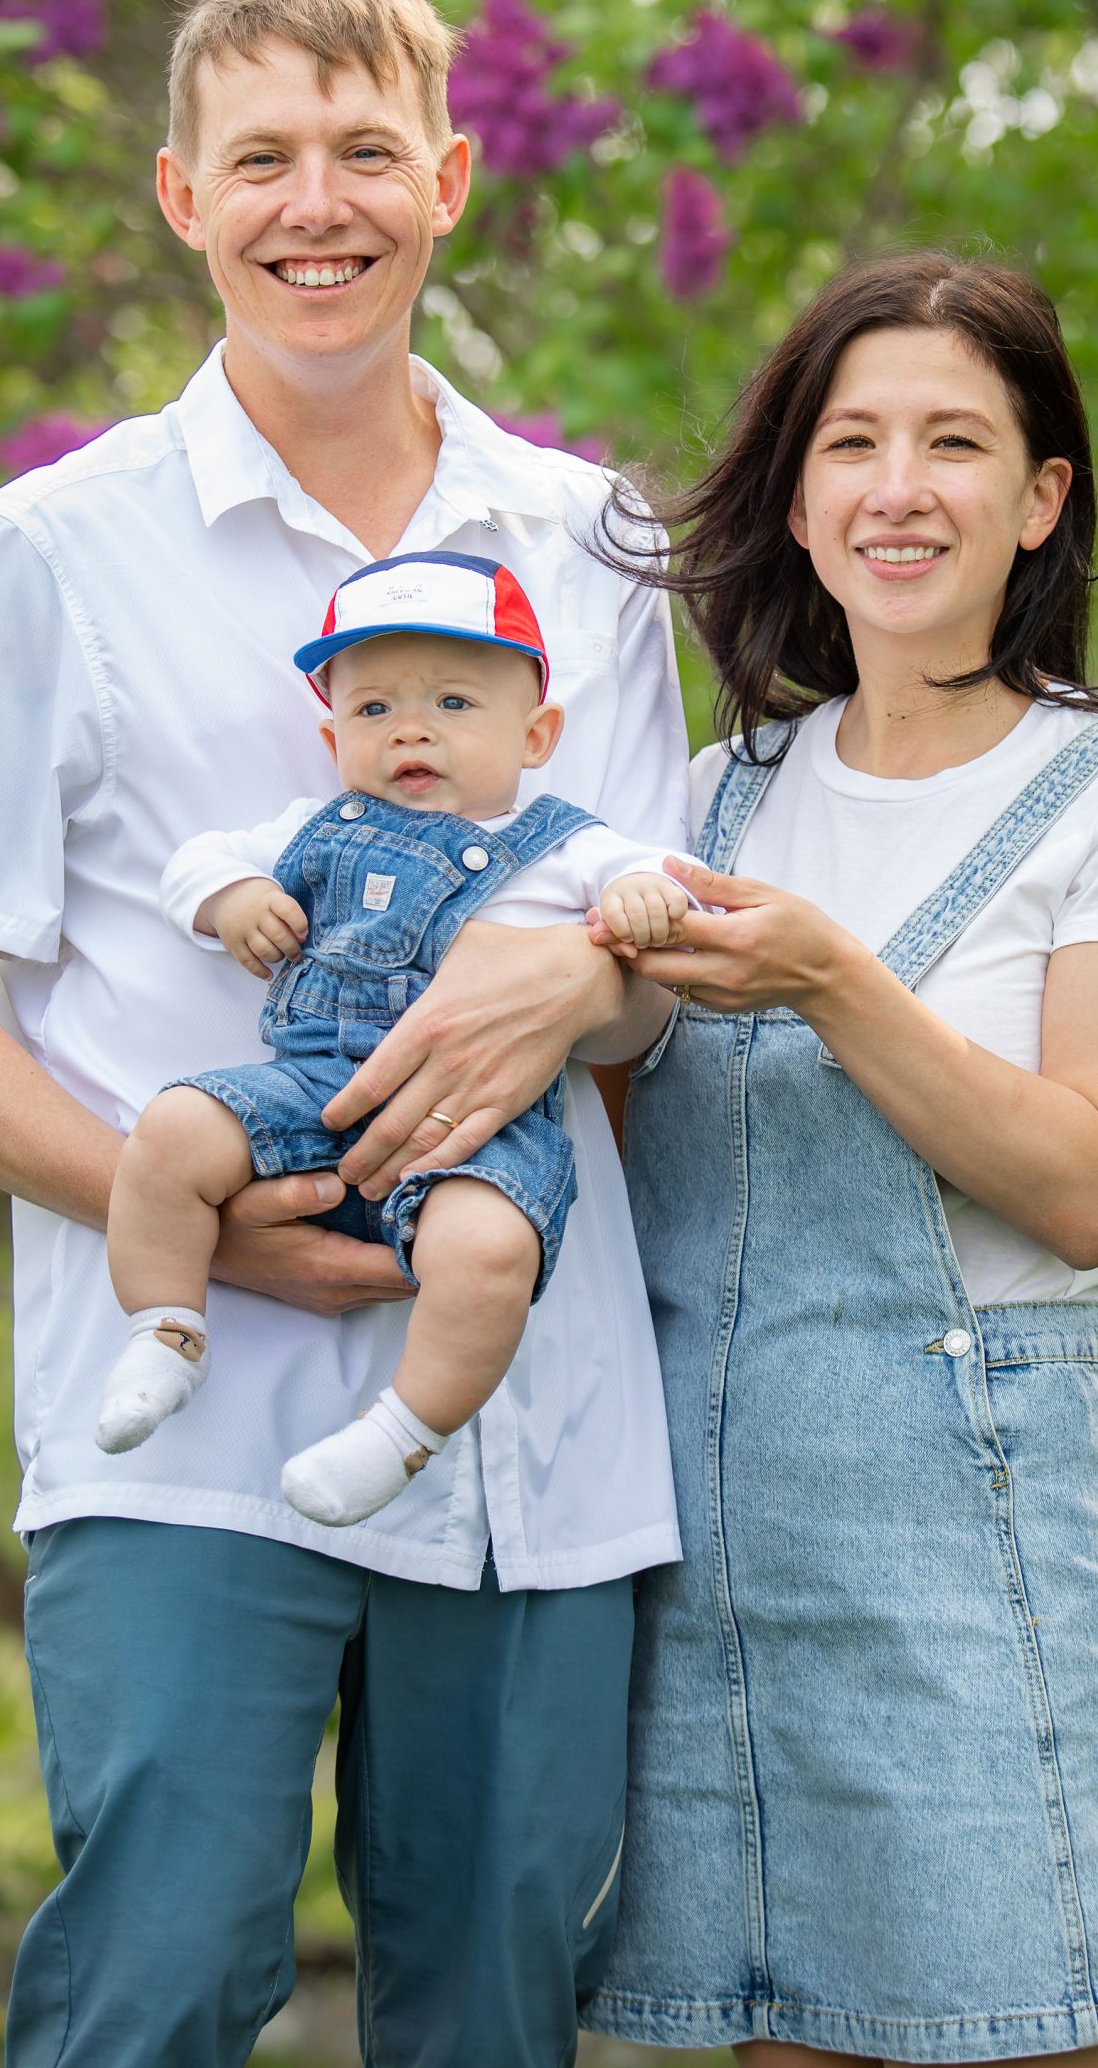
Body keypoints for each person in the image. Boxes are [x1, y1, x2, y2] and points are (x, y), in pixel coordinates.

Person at [0, 0, 687, 2068]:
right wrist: (179, 1201)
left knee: (492, 2012)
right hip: (180, 1431)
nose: (322, 202)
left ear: (450, 177)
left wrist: (582, 972)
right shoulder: (52, 549)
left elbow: (655, 986)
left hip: (532, 1437)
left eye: (367, 149)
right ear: (183, 196)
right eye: (264, 155)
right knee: (153, 1995)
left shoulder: (600, 546)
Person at [582, 254, 1098, 2067]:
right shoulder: (709, 799)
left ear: (1040, 497)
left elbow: (1089, 1181)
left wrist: (823, 974)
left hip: (963, 1566)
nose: (901, 487)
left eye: (957, 442)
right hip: (705, 1569)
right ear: (797, 500)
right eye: (854, 441)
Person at [99, 548, 692, 1527]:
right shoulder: (313, 825)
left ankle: (404, 1428)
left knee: (491, 1250)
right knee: (169, 1132)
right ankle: (164, 1328)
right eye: (374, 710)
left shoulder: (572, 846)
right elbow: (195, 861)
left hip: (479, 1125)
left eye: (454, 702)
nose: (411, 727)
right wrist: (232, 897)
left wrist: (641, 896)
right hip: (317, 1084)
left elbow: (665, 885)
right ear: (333, 733)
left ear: (537, 731)